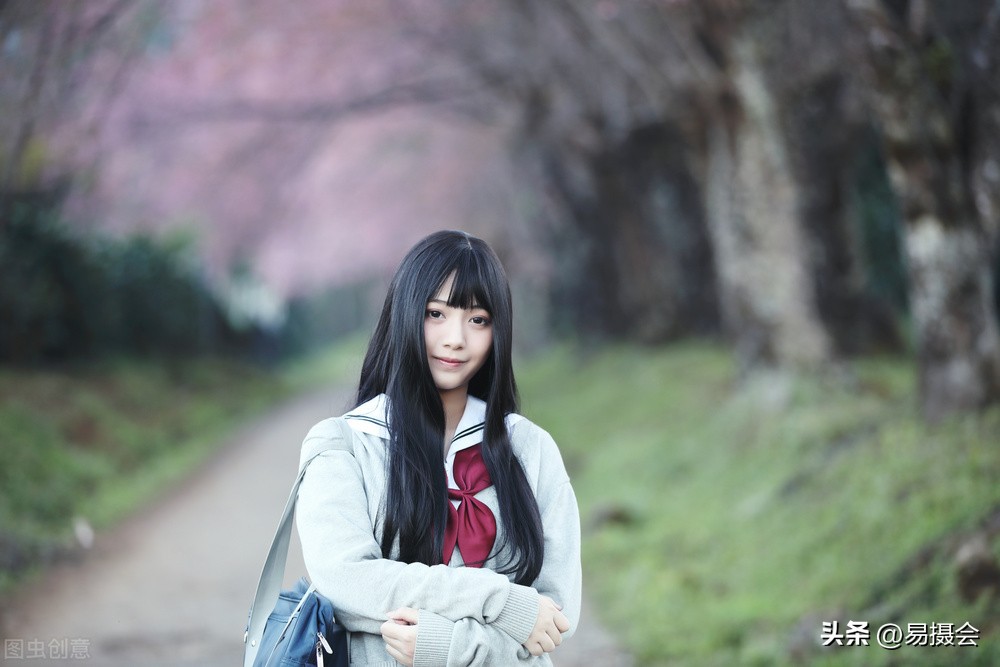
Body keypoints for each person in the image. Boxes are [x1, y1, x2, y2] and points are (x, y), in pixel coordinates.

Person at [296, 230, 582, 666]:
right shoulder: (344, 445)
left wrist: (451, 646)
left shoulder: (530, 449)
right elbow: (346, 580)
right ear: (406, 315)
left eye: (477, 319)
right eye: (436, 314)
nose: (456, 339)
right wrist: (503, 603)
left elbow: (555, 616)